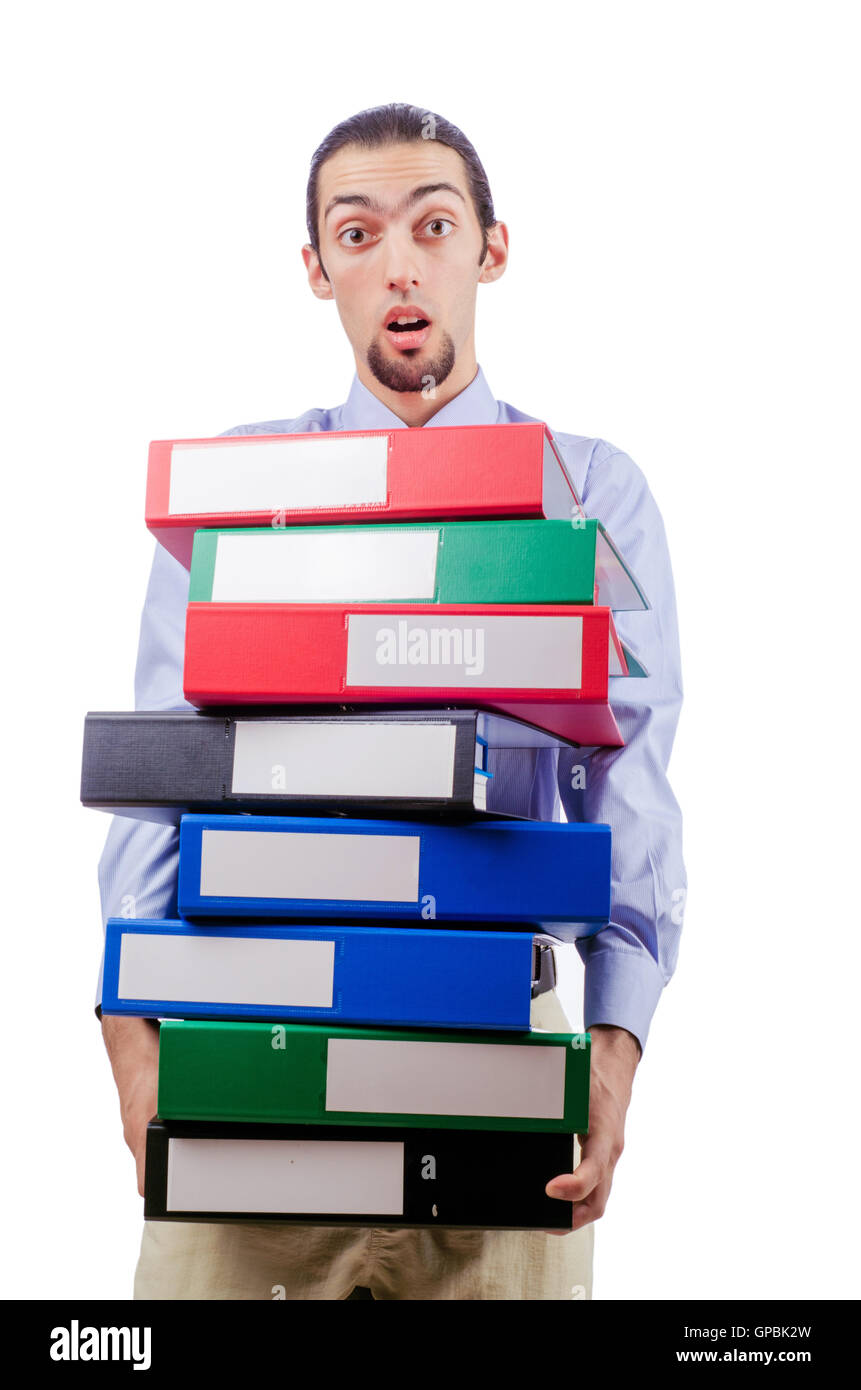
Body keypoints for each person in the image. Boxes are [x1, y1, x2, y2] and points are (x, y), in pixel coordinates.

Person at [97, 102, 686, 1301]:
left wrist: (614, 1062)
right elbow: (166, 768)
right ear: (318, 271)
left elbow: (631, 783)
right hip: (249, 1062)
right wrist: (133, 1049)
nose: (400, 264)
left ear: (492, 248)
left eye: (434, 224)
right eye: (357, 235)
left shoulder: (590, 493)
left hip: (501, 1072)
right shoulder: (246, 488)